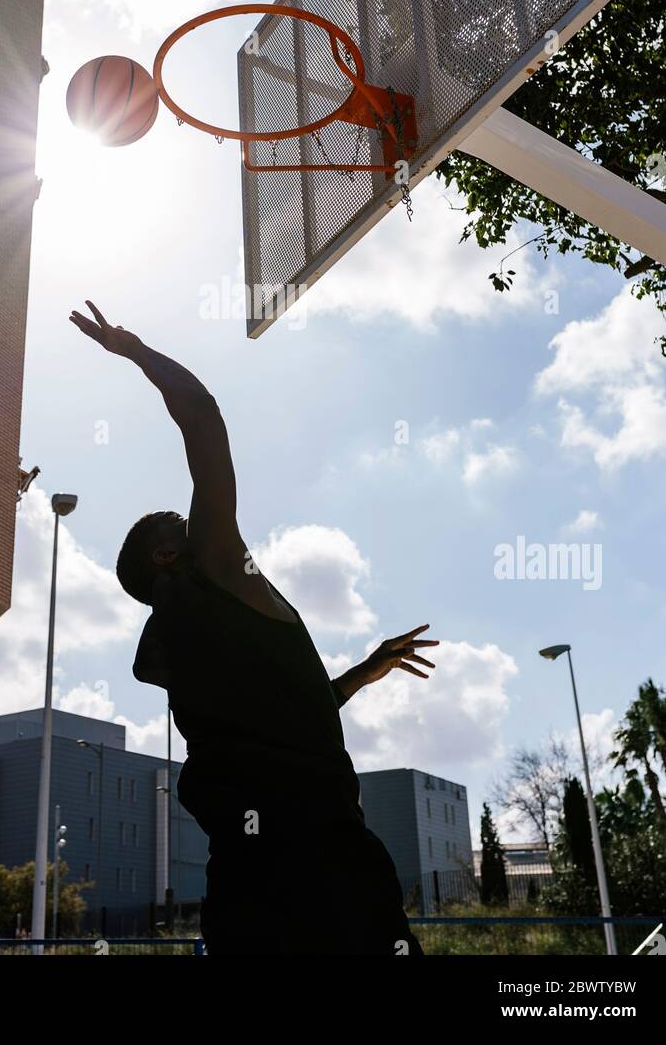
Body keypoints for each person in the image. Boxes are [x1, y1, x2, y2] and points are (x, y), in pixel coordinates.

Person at [70, 301, 438, 956]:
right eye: (173, 520)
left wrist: (362, 672)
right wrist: (135, 350)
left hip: (244, 874)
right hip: (329, 860)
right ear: (166, 555)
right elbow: (204, 416)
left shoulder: (177, 642)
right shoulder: (214, 567)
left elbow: (286, 714)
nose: (189, 518)